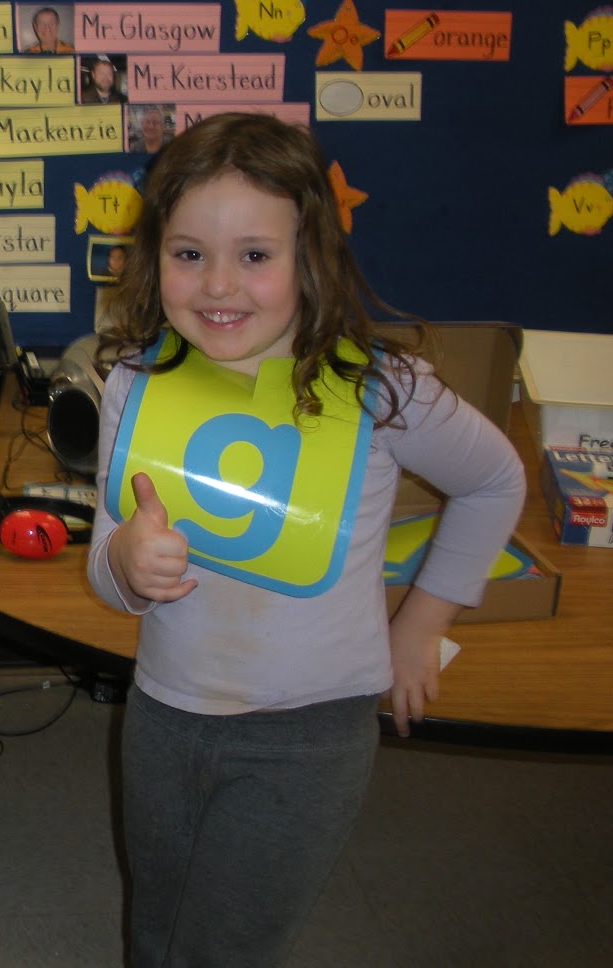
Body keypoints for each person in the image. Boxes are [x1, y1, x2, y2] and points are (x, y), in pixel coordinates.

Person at [87, 113, 524, 968]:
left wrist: (419, 627)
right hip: (165, 717)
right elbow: (108, 571)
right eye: (188, 254)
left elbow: (496, 480)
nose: (219, 285)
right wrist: (126, 565)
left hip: (309, 737)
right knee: (156, 923)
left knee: (226, 945)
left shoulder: (377, 388)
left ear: (309, 256)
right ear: (155, 257)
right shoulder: (136, 384)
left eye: (255, 255)